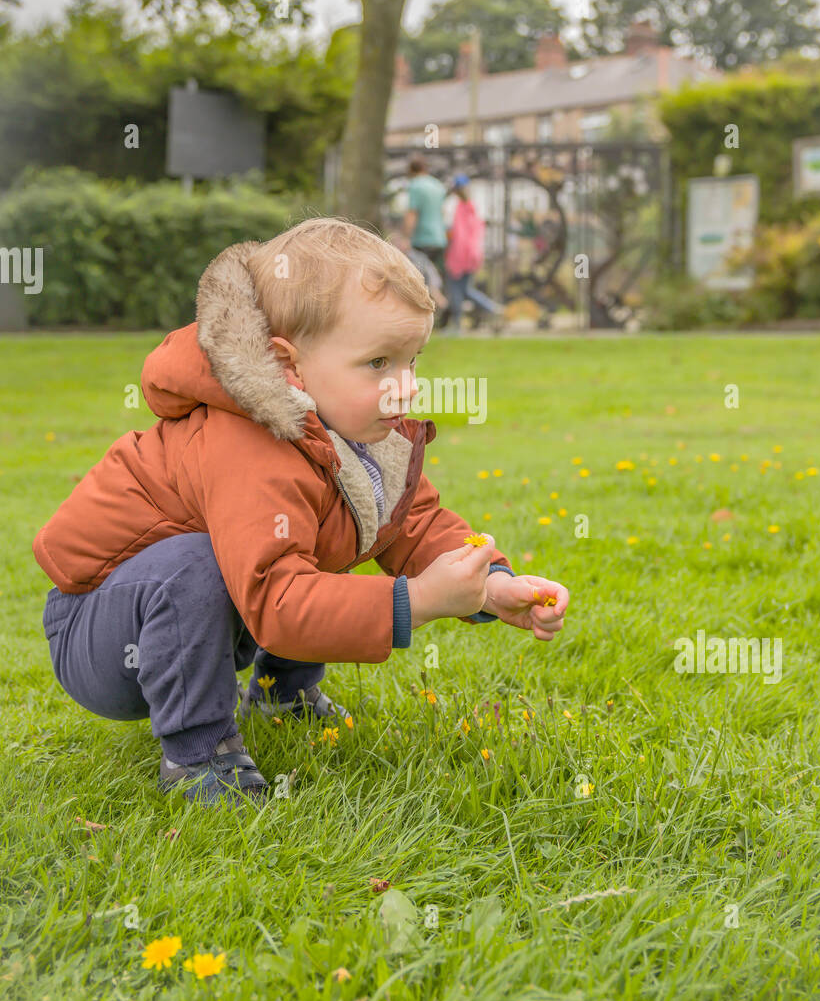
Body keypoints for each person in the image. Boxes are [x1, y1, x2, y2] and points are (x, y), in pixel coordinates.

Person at [32, 218, 570, 806]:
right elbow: (277, 598)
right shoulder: (249, 441)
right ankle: (199, 754)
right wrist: (416, 600)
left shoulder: (354, 430)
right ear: (288, 364)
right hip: (107, 632)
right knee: (199, 563)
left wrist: (491, 583)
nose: (406, 387)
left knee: (332, 517)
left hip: (208, 619)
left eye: (412, 360)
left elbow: (411, 521)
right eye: (378, 363)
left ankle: (279, 692)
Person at [443, 174, 504, 334]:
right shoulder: (473, 208)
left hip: (458, 256)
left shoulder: (456, 207)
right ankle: (492, 309)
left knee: (456, 291)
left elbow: (454, 233)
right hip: (471, 255)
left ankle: (457, 325)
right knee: (465, 290)